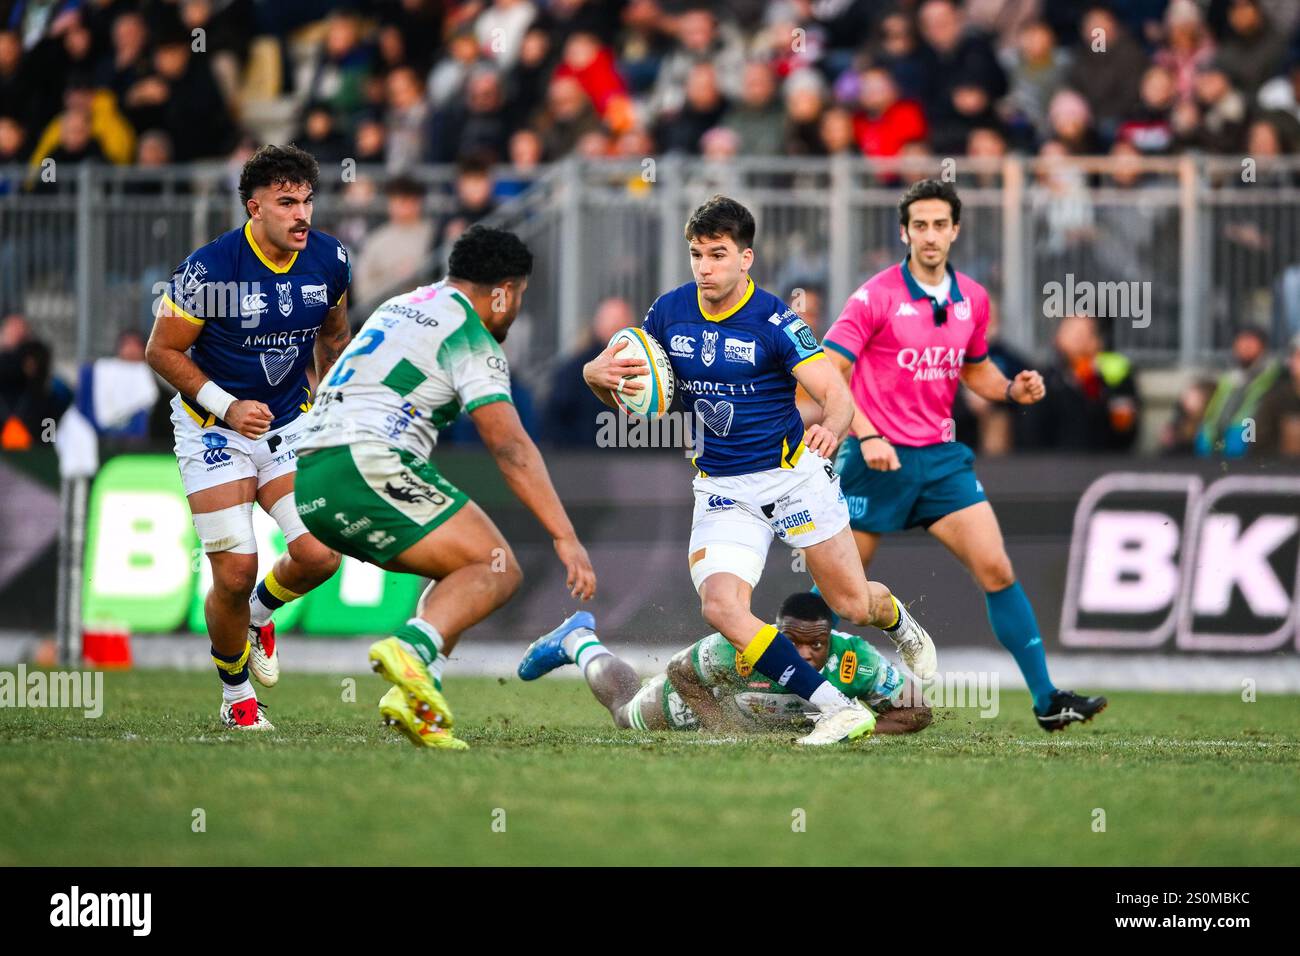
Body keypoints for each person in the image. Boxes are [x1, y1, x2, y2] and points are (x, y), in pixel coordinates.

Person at [582, 195, 937, 747]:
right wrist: (594, 375)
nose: (704, 268)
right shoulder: (667, 313)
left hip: (795, 478)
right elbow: (641, 400)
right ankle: (837, 707)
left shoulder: (775, 320)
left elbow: (834, 393)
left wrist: (834, 426)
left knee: (851, 604)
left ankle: (897, 620)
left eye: (717, 255)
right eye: (697, 254)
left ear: (745, 258)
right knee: (721, 606)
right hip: (724, 486)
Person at [293, 225, 597, 751]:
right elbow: (510, 448)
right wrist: (565, 536)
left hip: (314, 475)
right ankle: (412, 651)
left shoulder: (402, 304)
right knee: (497, 568)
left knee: (465, 568)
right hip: (366, 463)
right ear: (502, 290)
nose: (516, 310)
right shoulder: (472, 338)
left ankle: (414, 696)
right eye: (518, 296)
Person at [822, 178, 1106, 732]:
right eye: (919, 225)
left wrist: (1009, 391)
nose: (930, 235)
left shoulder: (971, 298)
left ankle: (1047, 699)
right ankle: (799, 689)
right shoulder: (874, 296)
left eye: (940, 225)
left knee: (997, 568)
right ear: (904, 232)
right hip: (874, 460)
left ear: (955, 230)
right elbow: (830, 374)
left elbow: (974, 367)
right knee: (839, 592)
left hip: (941, 462)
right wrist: (869, 433)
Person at [144, 145, 350, 730]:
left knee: (320, 555)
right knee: (233, 572)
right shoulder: (210, 269)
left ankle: (260, 616)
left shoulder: (330, 259)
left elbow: (335, 340)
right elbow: (163, 350)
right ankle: (236, 693)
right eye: (287, 203)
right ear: (254, 207)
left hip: (288, 421)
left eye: (308, 200)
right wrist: (228, 407)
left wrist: (330, 409)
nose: (302, 215)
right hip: (214, 428)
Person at [518, 592, 932, 735]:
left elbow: (917, 713)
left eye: (817, 645)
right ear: (776, 635)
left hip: (756, 712)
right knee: (627, 714)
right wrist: (724, 726)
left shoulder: (855, 661)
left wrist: (859, 730)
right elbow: (682, 670)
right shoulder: (742, 646)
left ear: (832, 639)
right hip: (711, 698)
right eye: (793, 644)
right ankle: (579, 640)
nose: (805, 655)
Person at [1196, 327, 1283, 457]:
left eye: (1251, 342)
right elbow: (1213, 415)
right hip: (1216, 451)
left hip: (1251, 455)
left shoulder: (1275, 379)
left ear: (1263, 347)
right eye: (1241, 342)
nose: (1245, 347)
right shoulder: (1227, 379)